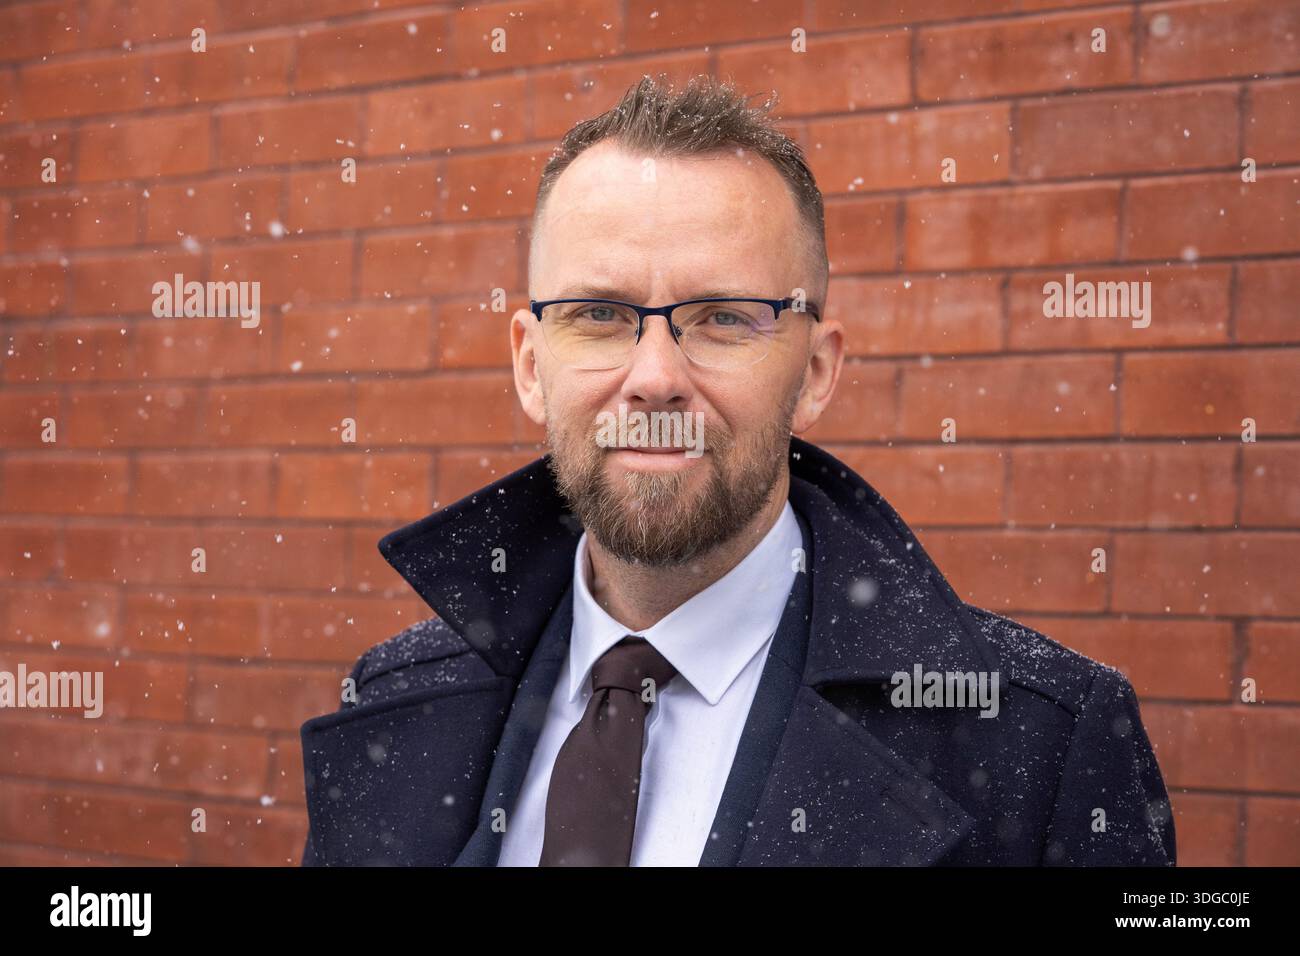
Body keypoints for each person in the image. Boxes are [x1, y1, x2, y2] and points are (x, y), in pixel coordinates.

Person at [299, 74, 1175, 867]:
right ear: (531, 364)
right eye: (599, 314)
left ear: (817, 372)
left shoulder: (1035, 739)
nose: (653, 377)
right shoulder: (399, 701)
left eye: (722, 318)